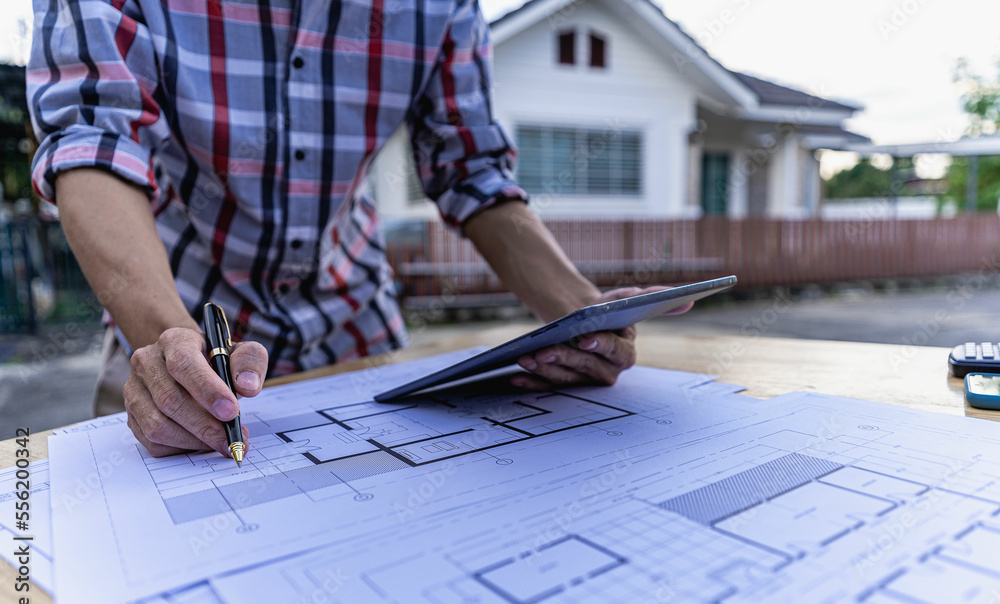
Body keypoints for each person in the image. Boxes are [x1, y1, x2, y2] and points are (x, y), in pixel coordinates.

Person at [28, 0, 674, 460]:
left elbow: (471, 170)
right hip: (168, 324)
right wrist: (166, 337)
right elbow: (92, 142)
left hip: (359, 331)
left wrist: (578, 320)